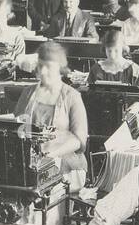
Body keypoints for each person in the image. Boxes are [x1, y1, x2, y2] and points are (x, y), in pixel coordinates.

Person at [15, 42, 88, 188]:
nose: (42, 71)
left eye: (48, 67)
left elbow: (79, 141)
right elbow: (17, 127)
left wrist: (49, 156)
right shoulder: (28, 93)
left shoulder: (72, 96)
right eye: (40, 66)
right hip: (31, 165)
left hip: (65, 165)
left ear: (60, 68)